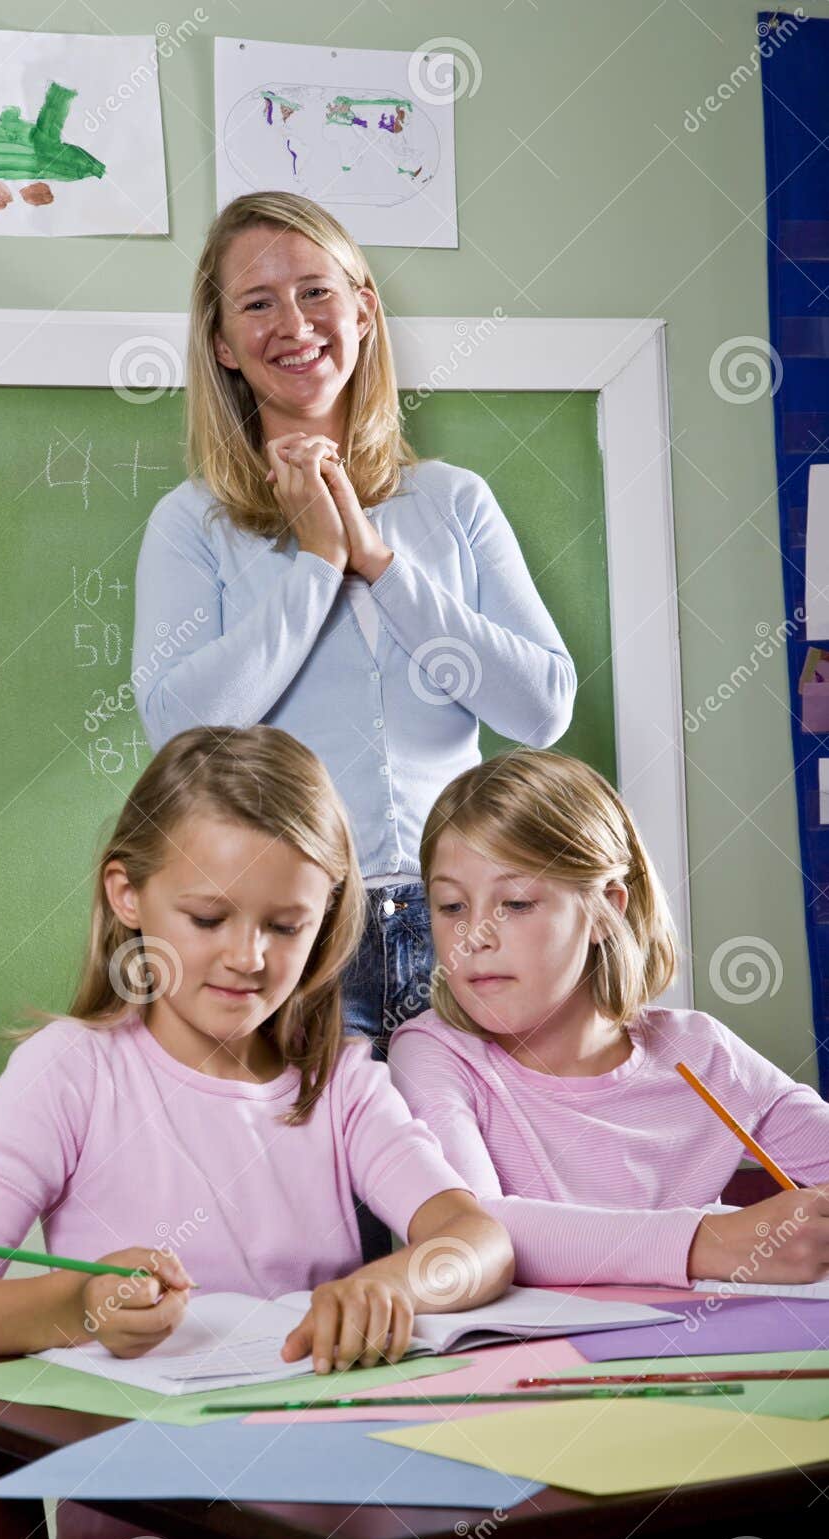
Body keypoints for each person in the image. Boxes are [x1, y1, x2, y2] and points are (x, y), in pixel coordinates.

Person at [0, 725, 513, 1539]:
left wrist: (399, 1286)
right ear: (129, 895)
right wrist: (80, 1301)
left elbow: (475, 1238)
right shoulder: (71, 1070)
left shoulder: (341, 1086)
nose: (247, 957)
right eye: (209, 918)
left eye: (286, 925)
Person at [131, 190, 576, 1087]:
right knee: (336, 1208)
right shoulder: (194, 525)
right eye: (256, 303)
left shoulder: (451, 502)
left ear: (363, 308)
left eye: (314, 291)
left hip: (466, 920)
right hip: (301, 929)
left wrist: (378, 564)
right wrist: (313, 567)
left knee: (471, 1198)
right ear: (222, 343)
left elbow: (539, 708)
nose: (292, 324)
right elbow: (182, 733)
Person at [388, 748, 829, 1290]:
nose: (475, 936)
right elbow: (471, 1232)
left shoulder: (702, 1053)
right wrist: (713, 1242)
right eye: (452, 906)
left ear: (606, 909)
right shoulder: (433, 1053)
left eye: (518, 903)